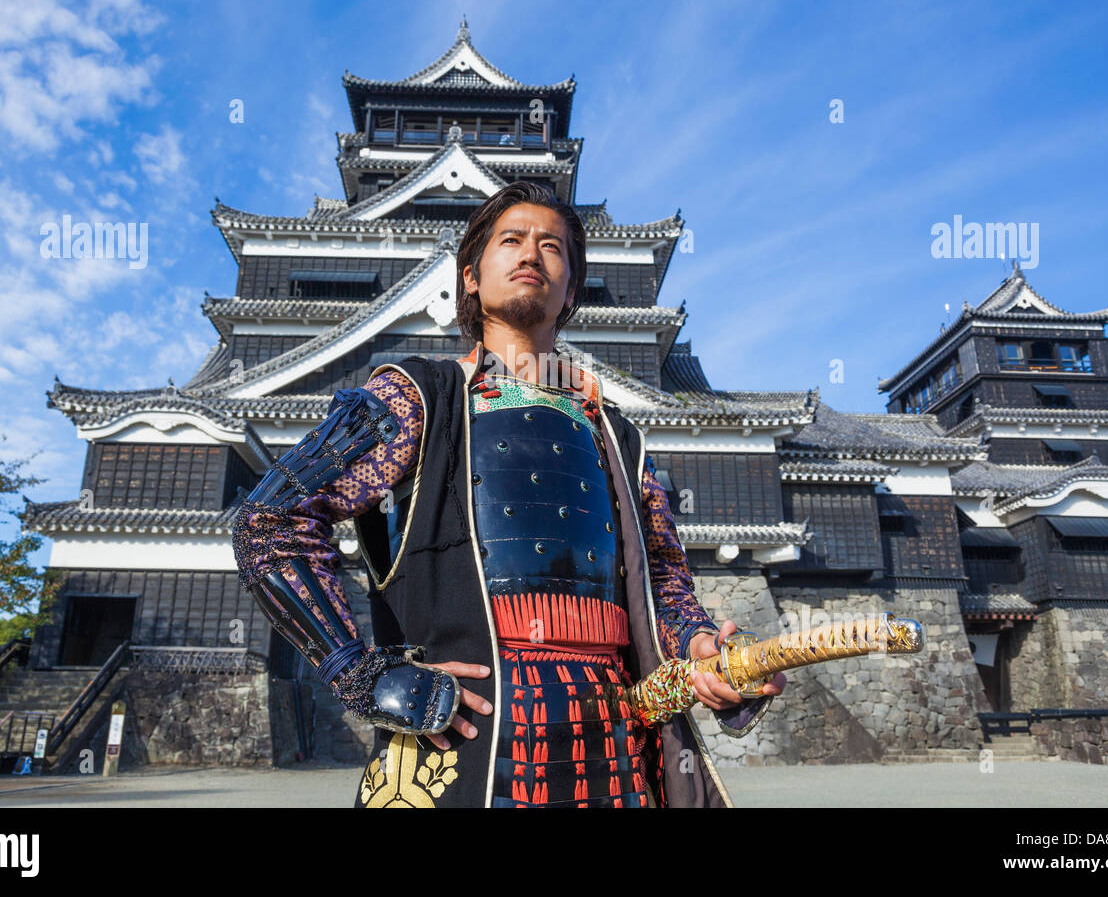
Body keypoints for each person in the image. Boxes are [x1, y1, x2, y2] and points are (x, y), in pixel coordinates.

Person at [232, 181, 785, 807]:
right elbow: (272, 522)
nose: (531, 253)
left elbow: (664, 585)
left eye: (552, 246)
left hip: (618, 743)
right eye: (511, 240)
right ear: (471, 277)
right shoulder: (417, 398)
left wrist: (700, 647)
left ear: (571, 289)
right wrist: (361, 673)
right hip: (464, 735)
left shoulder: (619, 439)